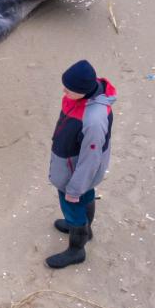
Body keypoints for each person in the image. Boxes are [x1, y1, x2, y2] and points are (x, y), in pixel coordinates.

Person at [47, 59, 117, 269]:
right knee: (87, 196)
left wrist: (75, 188)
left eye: (68, 89)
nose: (64, 91)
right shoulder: (83, 97)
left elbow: (90, 159)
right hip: (73, 165)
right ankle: (85, 229)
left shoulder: (93, 121)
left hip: (75, 173)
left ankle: (77, 249)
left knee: (72, 204)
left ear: (83, 91)